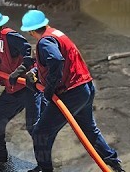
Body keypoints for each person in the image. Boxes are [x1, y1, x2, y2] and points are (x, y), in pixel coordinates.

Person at [22, 9, 124, 172]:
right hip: (85, 87)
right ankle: (113, 163)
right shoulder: (56, 34)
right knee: (89, 129)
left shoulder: (44, 42)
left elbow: (56, 60)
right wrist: (35, 72)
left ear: (31, 31)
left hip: (71, 92)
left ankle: (44, 168)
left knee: (40, 132)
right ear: (45, 23)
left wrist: (49, 88)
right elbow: (58, 60)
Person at [0, 8, 36, 165]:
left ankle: (44, 166)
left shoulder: (10, 37)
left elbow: (28, 52)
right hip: (13, 89)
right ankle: (1, 152)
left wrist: (20, 71)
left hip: (28, 88)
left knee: (34, 128)